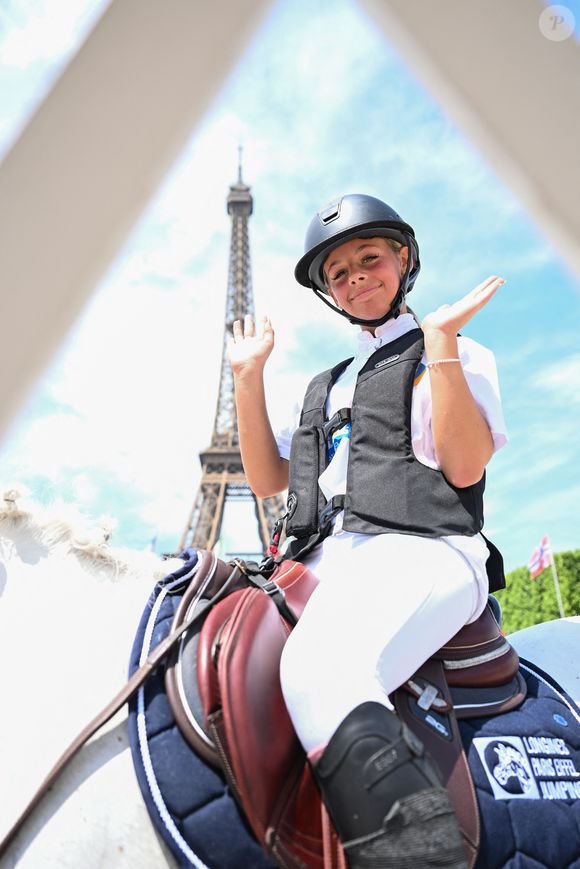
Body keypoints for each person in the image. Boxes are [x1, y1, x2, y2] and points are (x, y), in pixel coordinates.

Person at [227, 194, 507, 868]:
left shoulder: (459, 350)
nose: (355, 278)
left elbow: (465, 465)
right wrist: (248, 376)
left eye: (369, 259)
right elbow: (271, 482)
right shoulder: (329, 384)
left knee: (323, 666)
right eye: (339, 273)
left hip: (427, 549)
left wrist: (439, 346)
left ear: (402, 259)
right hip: (332, 559)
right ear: (328, 292)